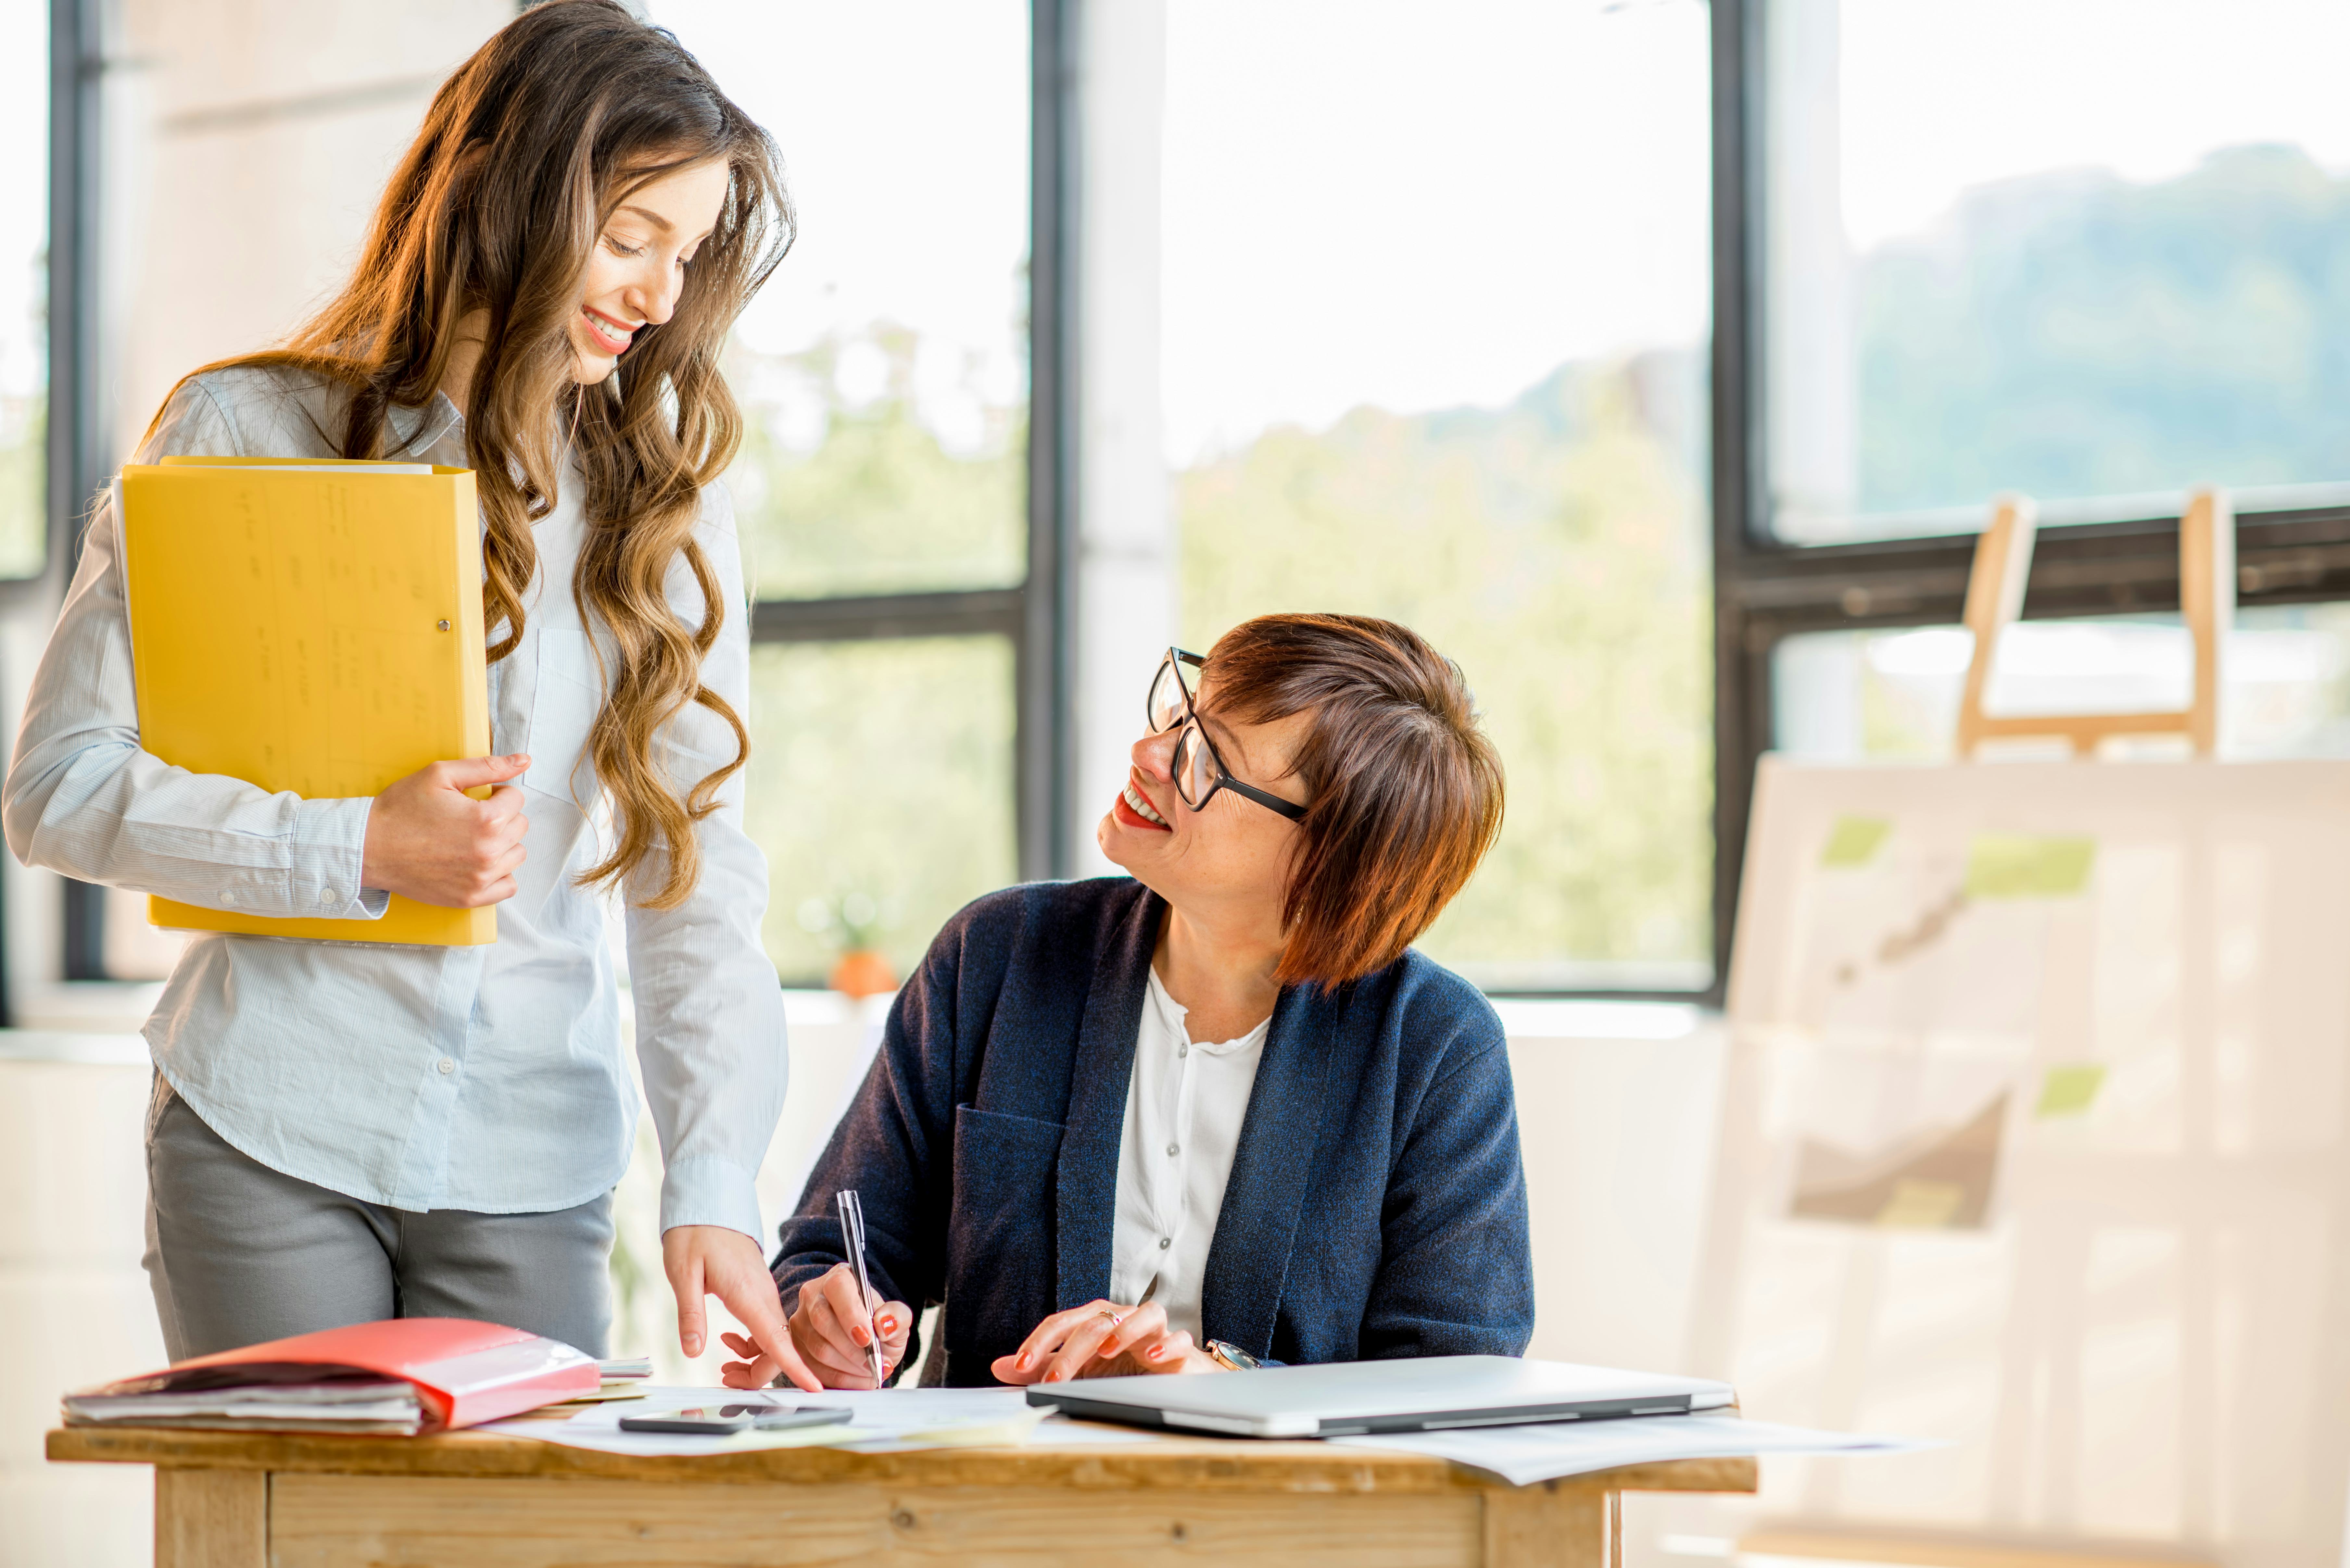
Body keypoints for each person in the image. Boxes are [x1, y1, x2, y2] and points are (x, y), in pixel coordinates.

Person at [4, 0, 821, 1389]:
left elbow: (697, 877)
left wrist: (714, 1177)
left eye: (684, 256)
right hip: (266, 1120)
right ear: (512, 199)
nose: (660, 296)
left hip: (535, 1155)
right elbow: (59, 787)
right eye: (630, 241)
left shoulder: (667, 509)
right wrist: (364, 850)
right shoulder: (241, 433)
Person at [726, 613, 1529, 1391]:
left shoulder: (1436, 1046)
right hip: (990, 1505)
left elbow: (1457, 1381)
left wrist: (1217, 1384)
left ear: (1327, 859)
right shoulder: (998, 955)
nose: (1148, 752)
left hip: (1281, 1521)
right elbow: (834, 1248)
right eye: (1180, 714)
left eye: (1205, 762)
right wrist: (831, 1323)